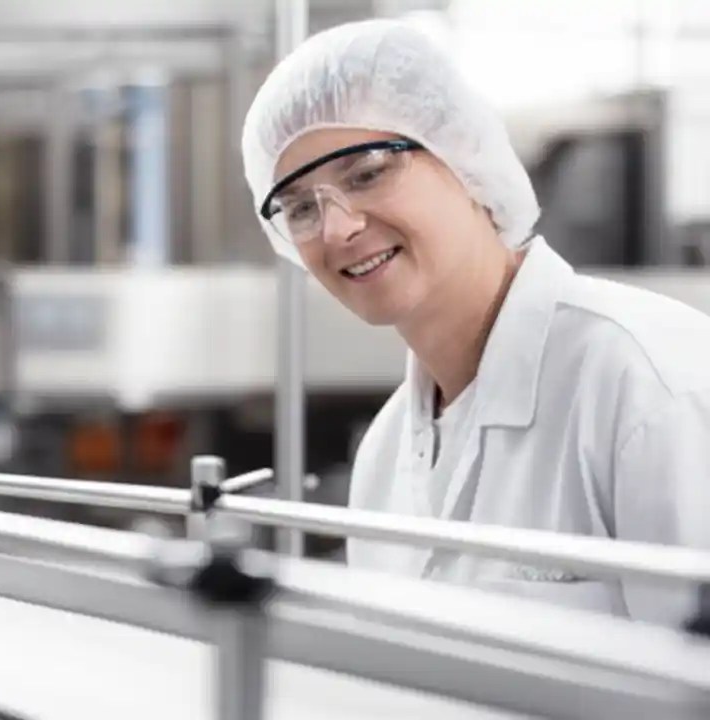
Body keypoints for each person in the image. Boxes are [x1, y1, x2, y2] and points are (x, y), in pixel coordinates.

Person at [240, 19, 710, 625]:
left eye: (368, 172)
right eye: (300, 208)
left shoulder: (649, 382)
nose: (337, 229)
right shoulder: (385, 453)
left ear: (464, 159)